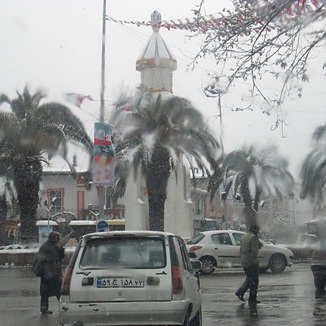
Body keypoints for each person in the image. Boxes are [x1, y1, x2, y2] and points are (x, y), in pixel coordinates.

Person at [38, 231, 65, 315]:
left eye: (57, 238)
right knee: (46, 292)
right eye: (55, 238)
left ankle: (62, 306)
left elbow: (60, 256)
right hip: (47, 273)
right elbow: (45, 259)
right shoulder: (46, 247)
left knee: (58, 291)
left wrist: (61, 248)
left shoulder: (54, 246)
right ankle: (44, 308)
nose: (56, 240)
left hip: (55, 273)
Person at [235, 223, 261, 305]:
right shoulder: (254, 237)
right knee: (254, 280)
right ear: (255, 230)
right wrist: (255, 261)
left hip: (244, 260)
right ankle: (251, 298)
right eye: (258, 230)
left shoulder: (244, 237)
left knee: (249, 279)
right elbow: (254, 251)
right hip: (251, 261)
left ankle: (240, 292)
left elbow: (241, 249)